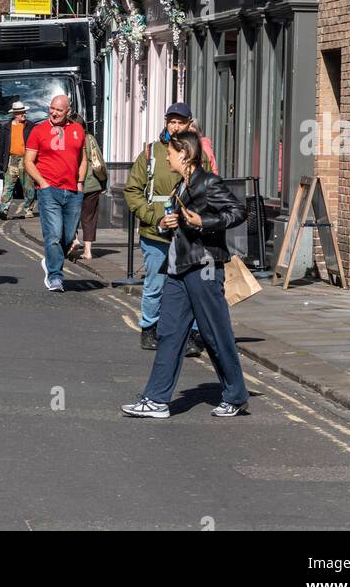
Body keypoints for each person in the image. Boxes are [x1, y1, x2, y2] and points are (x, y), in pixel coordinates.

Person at [122, 131, 249, 420]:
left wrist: (204, 221)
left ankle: (236, 395)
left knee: (215, 334)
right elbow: (180, 223)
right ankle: (156, 400)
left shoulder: (208, 183)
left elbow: (238, 211)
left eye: (170, 152)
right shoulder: (182, 185)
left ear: (185, 154)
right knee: (169, 333)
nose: (166, 156)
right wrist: (168, 223)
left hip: (204, 267)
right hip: (179, 266)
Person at [124, 102, 211, 352]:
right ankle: (149, 328)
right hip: (156, 233)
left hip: (190, 234)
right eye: (170, 121)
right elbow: (132, 191)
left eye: (180, 122)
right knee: (156, 283)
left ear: (189, 124)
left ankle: (194, 334)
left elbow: (210, 189)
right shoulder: (151, 153)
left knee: (193, 284)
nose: (174, 127)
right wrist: (154, 217)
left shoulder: (199, 154)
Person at [24, 94, 87, 292]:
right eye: (52, 108)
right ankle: (55, 276)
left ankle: (51, 261)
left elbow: (83, 159)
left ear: (68, 111)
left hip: (73, 191)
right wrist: (42, 183)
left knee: (68, 237)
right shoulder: (38, 130)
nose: (54, 113)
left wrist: (80, 183)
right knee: (53, 235)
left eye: (59, 110)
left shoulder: (77, 130)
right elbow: (28, 161)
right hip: (49, 190)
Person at [68, 115, 107, 261]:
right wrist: (104, 183)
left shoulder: (69, 138)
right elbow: (99, 161)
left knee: (70, 215)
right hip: (93, 184)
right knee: (89, 218)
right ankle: (88, 251)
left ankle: (74, 239)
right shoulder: (90, 139)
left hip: (73, 183)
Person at [0, 101, 37, 219]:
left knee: (28, 186)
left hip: (26, 159)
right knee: (8, 186)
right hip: (11, 159)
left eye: (24, 112)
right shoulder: (6, 127)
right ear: (15, 114)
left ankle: (28, 209)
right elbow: (0, 147)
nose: (23, 114)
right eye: (20, 112)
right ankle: (3, 209)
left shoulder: (31, 126)